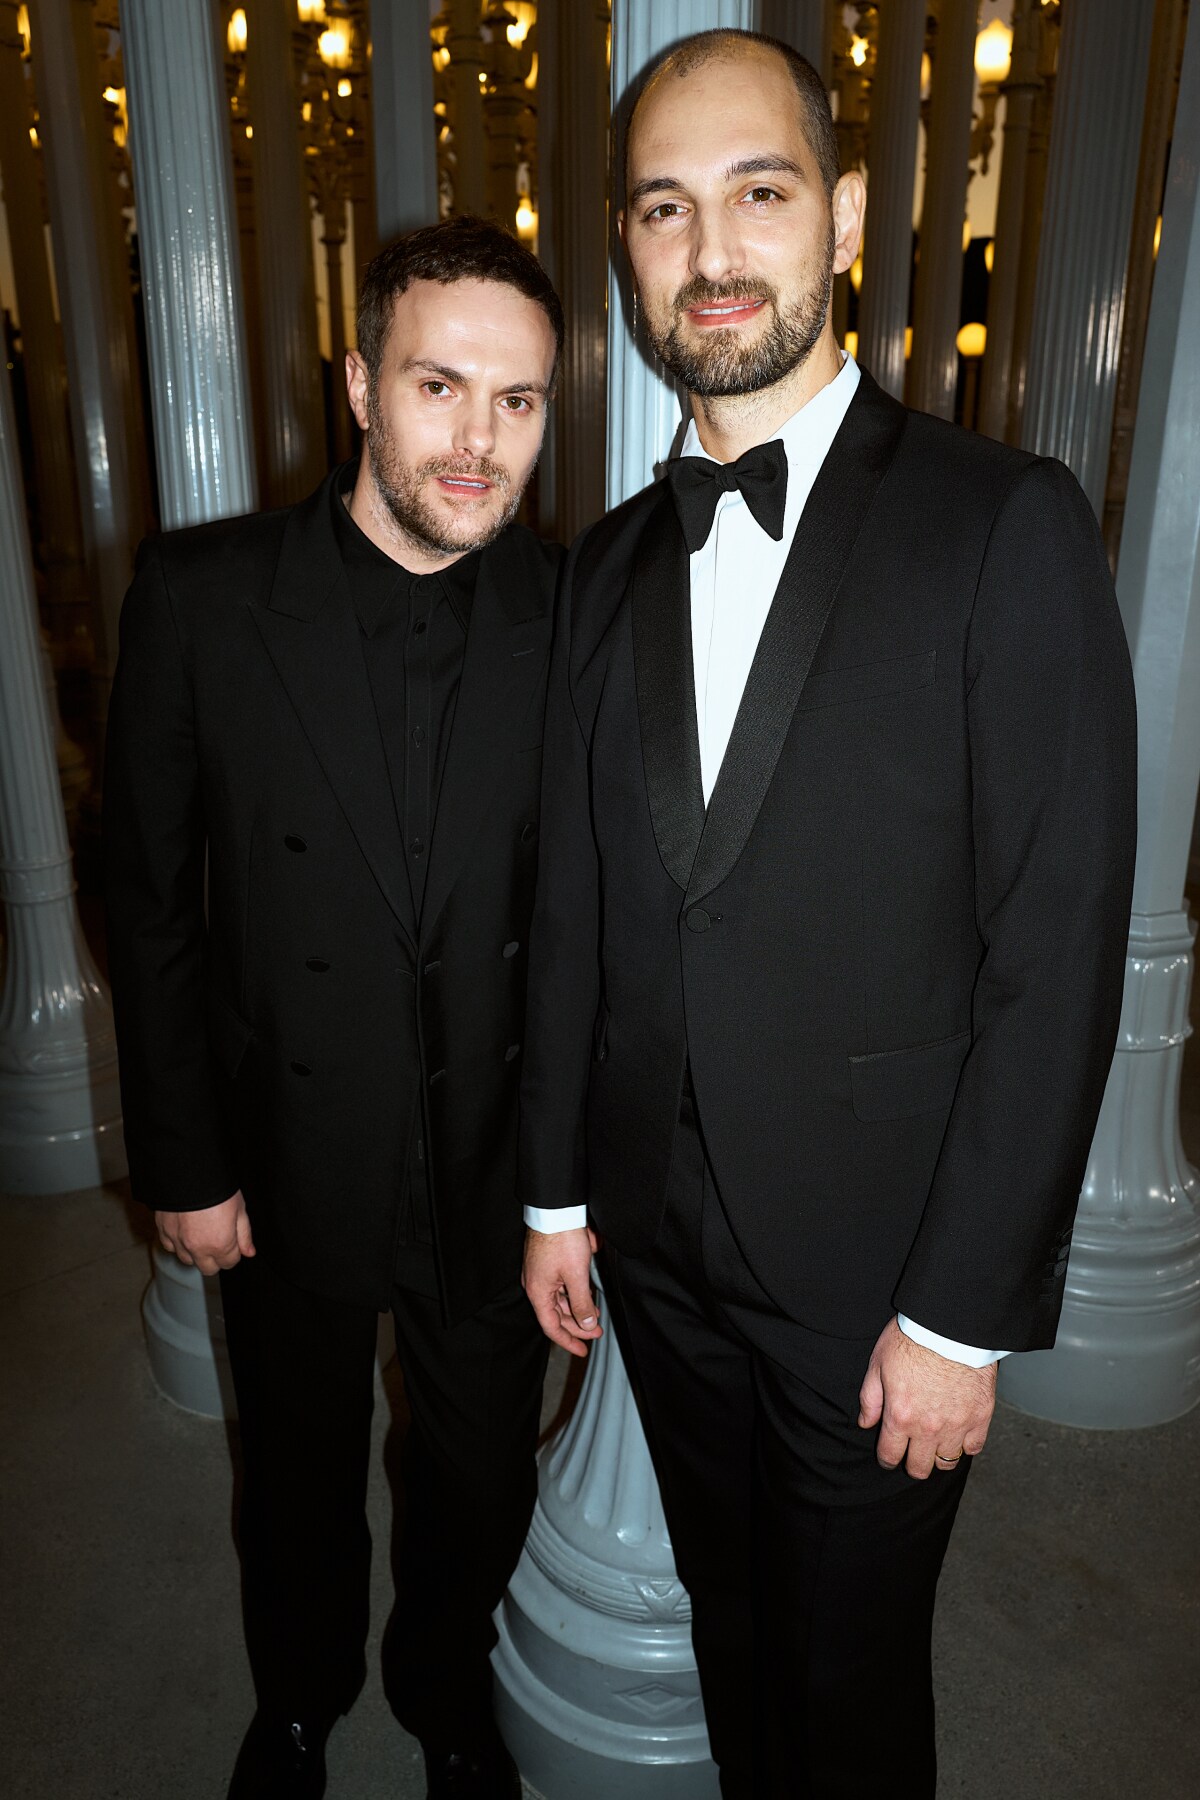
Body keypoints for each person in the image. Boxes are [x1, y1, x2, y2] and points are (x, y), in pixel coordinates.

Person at [519, 30, 1137, 1800]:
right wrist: (558, 1195)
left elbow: (1056, 949)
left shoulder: (1004, 524)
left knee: (852, 1692)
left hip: (880, 1277)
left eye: (759, 192)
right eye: (664, 208)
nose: (711, 249)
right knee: (735, 1637)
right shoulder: (606, 564)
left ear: (847, 217)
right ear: (627, 249)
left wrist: (962, 1315)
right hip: (656, 1252)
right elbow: (579, 901)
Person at [104, 216, 564, 1800]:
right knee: (294, 1472)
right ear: (362, 385)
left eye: (517, 401)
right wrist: (184, 1161)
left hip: (494, 1151)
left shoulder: (574, 611)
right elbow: (151, 900)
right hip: (286, 1140)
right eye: (440, 387)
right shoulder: (205, 597)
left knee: (482, 1477)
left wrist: (578, 1184)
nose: (478, 439)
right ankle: (298, 1702)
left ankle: (444, 1694)